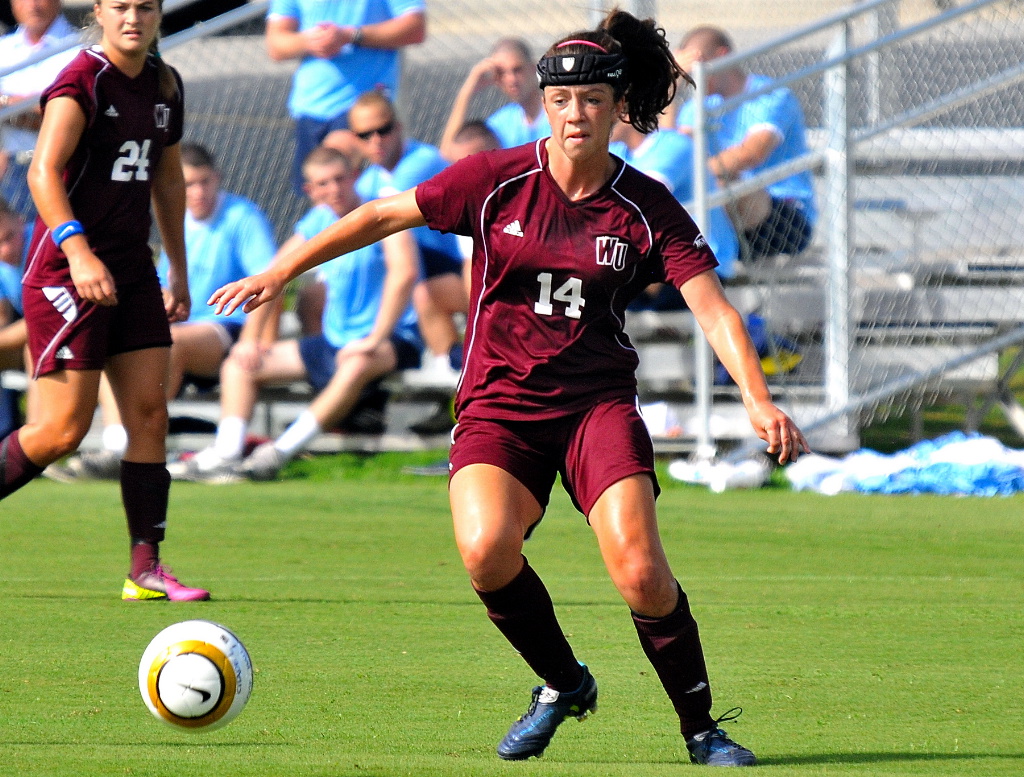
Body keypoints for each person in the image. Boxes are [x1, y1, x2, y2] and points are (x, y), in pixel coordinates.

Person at [210, 8, 809, 766]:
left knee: (640, 571)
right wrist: (280, 271)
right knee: (486, 551)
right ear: (544, 107)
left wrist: (757, 397)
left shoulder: (645, 205)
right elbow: (383, 213)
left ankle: (702, 730)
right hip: (499, 407)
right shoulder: (495, 181)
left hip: (595, 409)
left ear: (618, 108)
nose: (574, 114)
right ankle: (564, 683)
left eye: (591, 100)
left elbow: (715, 310)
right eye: (560, 101)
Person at [0, 0, 210, 603]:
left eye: (145, 6)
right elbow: (43, 173)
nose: (132, 17)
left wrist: (178, 267)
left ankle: (146, 569)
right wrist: (79, 252)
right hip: (67, 274)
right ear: (99, 11)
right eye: (120, 6)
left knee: (149, 416)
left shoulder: (165, 84)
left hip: (133, 272)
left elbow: (167, 178)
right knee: (60, 431)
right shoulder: (80, 80)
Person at [172, 145, 421, 482]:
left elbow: (404, 273)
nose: (334, 189)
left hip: (392, 338)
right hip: (336, 340)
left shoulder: (377, 212)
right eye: (323, 183)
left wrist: (375, 338)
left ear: (355, 177)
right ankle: (227, 455)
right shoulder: (318, 220)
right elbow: (274, 273)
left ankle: (276, 454)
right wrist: (250, 339)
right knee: (239, 365)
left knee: (357, 362)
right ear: (310, 190)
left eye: (339, 179)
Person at [48, 141, 279, 480]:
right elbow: (162, 280)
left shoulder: (242, 217)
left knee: (172, 342)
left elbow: (270, 280)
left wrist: (253, 339)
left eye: (204, 182)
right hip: (181, 326)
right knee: (116, 344)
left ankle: (137, 442)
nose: (197, 192)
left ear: (217, 178)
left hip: (226, 328)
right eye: (189, 184)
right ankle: (117, 445)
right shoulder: (177, 219)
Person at [348, 90, 467, 434]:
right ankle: (455, 397)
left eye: (383, 130)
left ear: (399, 127)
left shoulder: (422, 161)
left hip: (460, 269)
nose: (376, 140)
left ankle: (458, 391)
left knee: (423, 292)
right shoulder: (369, 180)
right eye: (364, 135)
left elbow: (380, 215)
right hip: (423, 276)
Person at [669, 26, 816, 262]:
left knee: (719, 182)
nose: (692, 78)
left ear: (722, 56)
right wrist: (670, 88)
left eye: (697, 68)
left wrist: (692, 174)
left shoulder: (770, 95)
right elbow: (671, 152)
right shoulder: (696, 106)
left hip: (784, 216)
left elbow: (752, 153)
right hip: (723, 217)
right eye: (687, 73)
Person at [265, 0, 426, 197]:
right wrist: (310, 41)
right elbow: (276, 44)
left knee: (343, 186)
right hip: (311, 107)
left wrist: (350, 36)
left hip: (362, 106)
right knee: (322, 195)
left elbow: (415, 27)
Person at [610, 121, 740, 312]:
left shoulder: (673, 144)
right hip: (655, 268)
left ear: (626, 112)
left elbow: (640, 204)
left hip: (702, 264)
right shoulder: (617, 153)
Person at [0, 0, 80, 217]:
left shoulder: (80, 49)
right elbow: (52, 112)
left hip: (63, 168)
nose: (32, 5)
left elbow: (70, 117)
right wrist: (38, 110)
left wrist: (6, 105)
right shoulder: (3, 49)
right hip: (10, 169)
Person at [438, 38, 550, 159]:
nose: (511, 79)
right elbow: (448, 155)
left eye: (517, 70)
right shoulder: (503, 122)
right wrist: (467, 92)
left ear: (533, 69)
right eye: (501, 73)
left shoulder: (555, 114)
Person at [0, 197, 30, 436]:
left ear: (21, 222)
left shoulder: (46, 243)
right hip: (31, 335)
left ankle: (33, 437)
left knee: (34, 348)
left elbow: (47, 320)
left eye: (9, 237)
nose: (5, 250)